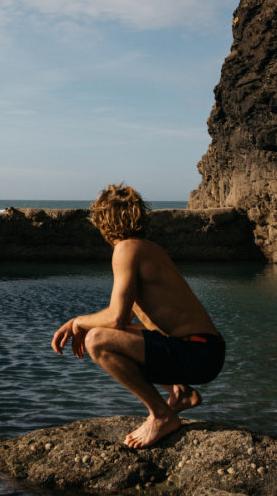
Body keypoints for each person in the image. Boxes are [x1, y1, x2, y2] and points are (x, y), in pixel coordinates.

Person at [51, 184, 225, 448]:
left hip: (196, 352)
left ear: (103, 221)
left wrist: (77, 322)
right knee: (112, 334)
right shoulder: (146, 249)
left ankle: (161, 415)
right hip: (205, 350)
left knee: (97, 340)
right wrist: (84, 324)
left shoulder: (125, 250)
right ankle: (179, 392)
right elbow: (124, 321)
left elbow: (115, 318)